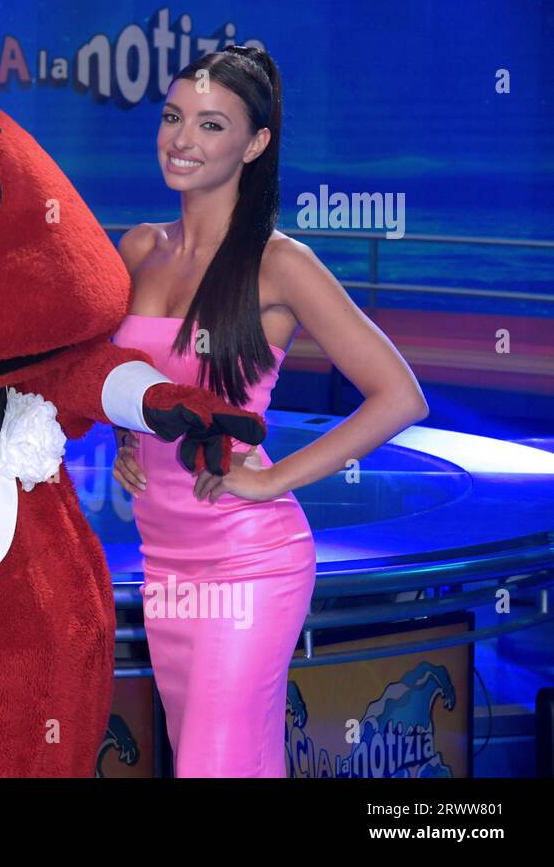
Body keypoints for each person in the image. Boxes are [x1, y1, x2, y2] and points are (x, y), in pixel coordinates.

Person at [111, 44, 428, 776]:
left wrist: (272, 478)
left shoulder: (280, 263)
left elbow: (398, 396)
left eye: (212, 125)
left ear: (255, 144)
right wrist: (131, 432)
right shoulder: (138, 249)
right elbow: (133, 378)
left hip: (248, 563)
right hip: (168, 567)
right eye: (172, 117)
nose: (183, 140)